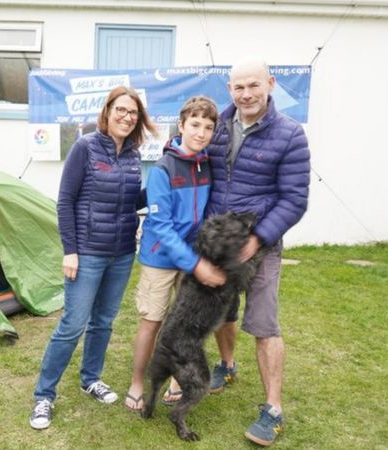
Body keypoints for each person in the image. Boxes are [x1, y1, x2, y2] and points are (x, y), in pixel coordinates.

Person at [30, 86, 156, 430]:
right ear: (108, 110)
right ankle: (44, 395)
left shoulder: (133, 155)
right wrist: (70, 250)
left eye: (133, 113)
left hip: (121, 253)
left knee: (103, 322)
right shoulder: (85, 147)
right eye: (121, 110)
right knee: (72, 325)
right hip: (86, 252)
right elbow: (65, 201)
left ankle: (90, 378)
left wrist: (160, 184)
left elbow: (129, 201)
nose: (127, 117)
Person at [205, 59, 310, 446]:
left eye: (253, 85)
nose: (246, 94)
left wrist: (257, 239)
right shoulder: (216, 126)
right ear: (229, 89)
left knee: (264, 326)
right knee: (222, 312)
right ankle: (227, 366)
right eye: (238, 87)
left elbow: (295, 199)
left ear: (270, 83)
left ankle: (273, 409)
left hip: (260, 247)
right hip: (220, 243)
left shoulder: (290, 135)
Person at [124, 96, 226, 412]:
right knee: (152, 322)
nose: (201, 133)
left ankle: (177, 379)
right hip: (161, 258)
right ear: (181, 125)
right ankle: (137, 382)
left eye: (209, 127)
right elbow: (163, 228)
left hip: (193, 258)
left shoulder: (206, 164)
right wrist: (196, 265)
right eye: (195, 125)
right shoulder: (162, 169)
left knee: (184, 326)